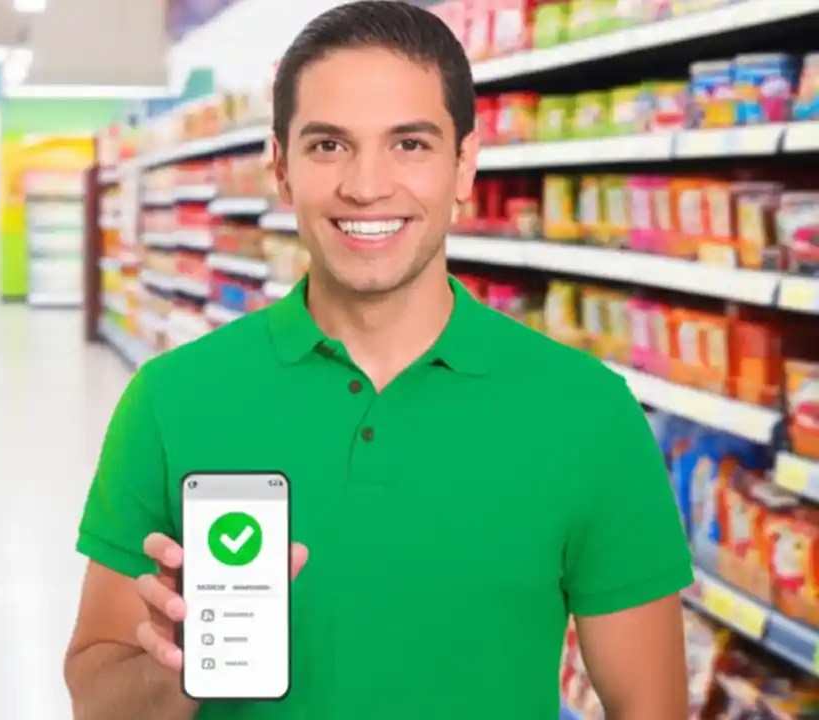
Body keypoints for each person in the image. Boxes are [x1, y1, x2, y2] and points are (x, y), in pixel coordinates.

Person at [64, 2, 693, 718]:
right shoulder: (170, 398)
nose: (366, 185)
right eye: (329, 145)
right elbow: (97, 699)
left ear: (465, 166)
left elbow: (652, 708)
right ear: (281, 168)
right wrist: (185, 666)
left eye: (410, 145)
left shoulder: (588, 412)